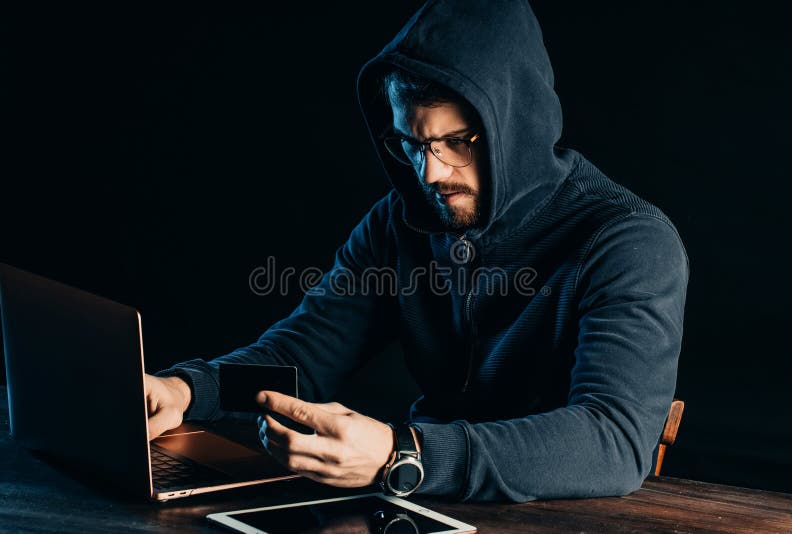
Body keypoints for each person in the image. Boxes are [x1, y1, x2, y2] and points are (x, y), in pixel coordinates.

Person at [146, 0, 689, 503]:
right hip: (420, 500)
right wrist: (188, 389)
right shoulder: (401, 222)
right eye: (413, 143)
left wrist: (401, 455)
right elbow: (303, 358)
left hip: (562, 515)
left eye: (457, 142)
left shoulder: (629, 242)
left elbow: (612, 440)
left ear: (516, 124)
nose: (431, 173)